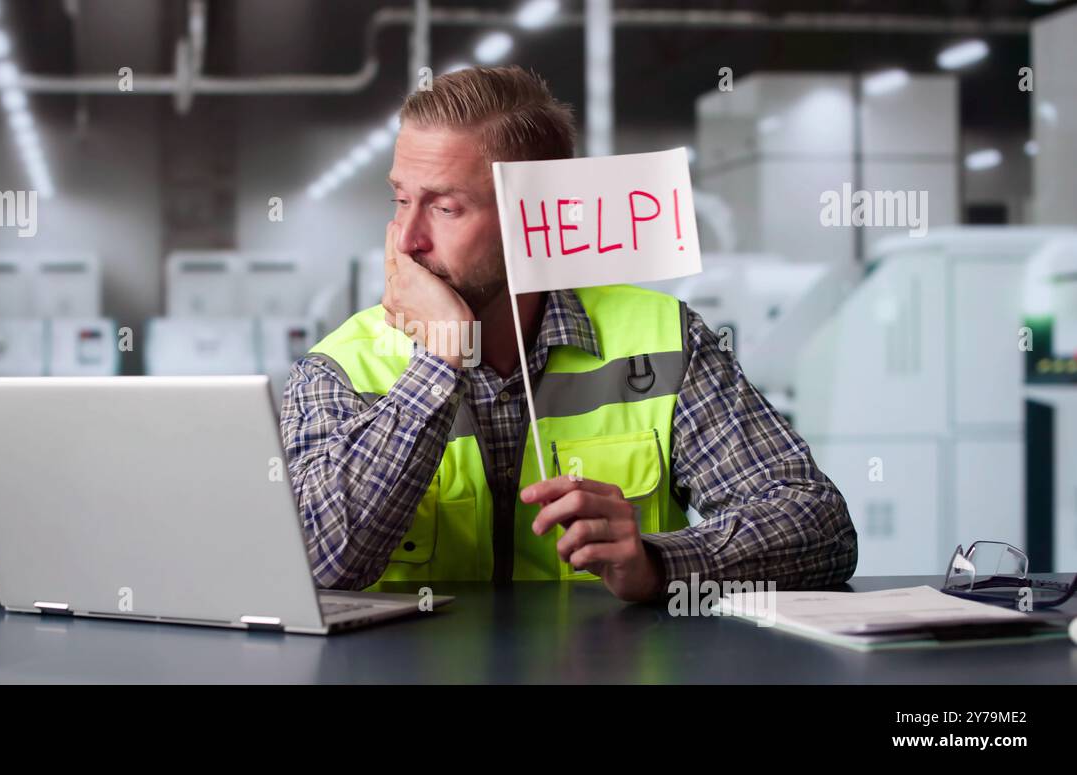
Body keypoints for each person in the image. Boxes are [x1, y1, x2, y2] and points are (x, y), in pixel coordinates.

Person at [280, 66, 857, 602]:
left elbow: (817, 525)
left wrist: (660, 563)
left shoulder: (662, 341)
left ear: (535, 218)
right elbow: (319, 565)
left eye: (446, 209)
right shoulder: (340, 366)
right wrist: (438, 361)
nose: (405, 240)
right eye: (401, 200)